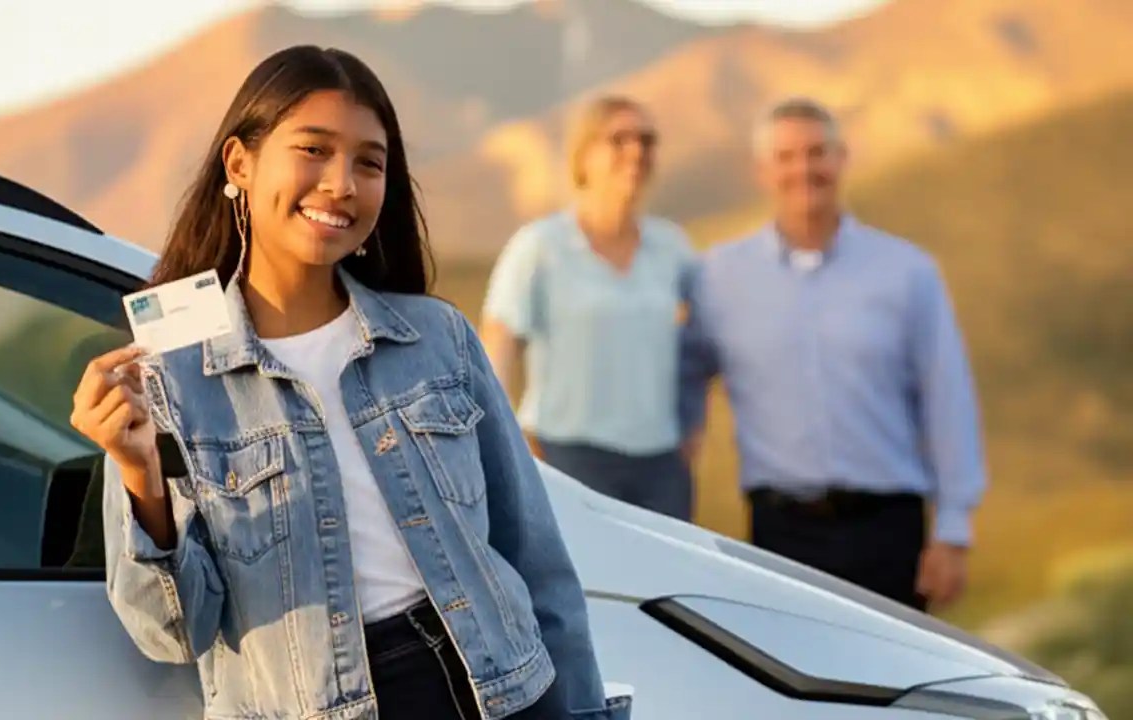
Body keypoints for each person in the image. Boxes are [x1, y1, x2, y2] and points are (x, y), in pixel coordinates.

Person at [69, 46, 630, 720]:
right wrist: (139, 476)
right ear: (239, 164)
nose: (342, 184)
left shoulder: (437, 339)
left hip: (505, 692)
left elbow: (535, 559)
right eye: (314, 150)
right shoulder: (171, 378)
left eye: (369, 162)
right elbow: (172, 633)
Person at [679, 96, 987, 612]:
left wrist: (953, 531)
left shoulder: (908, 272)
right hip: (781, 537)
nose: (804, 169)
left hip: (891, 533)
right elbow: (681, 385)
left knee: (896, 687)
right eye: (787, 156)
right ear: (762, 171)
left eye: (817, 152)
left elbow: (947, 399)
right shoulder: (717, 277)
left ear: (841, 158)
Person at [480, 96, 697, 522]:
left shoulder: (673, 249)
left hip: (661, 469)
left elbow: (701, 348)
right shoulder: (540, 246)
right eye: (618, 139)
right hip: (566, 458)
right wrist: (512, 445)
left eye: (646, 140)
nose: (636, 151)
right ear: (584, 156)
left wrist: (693, 435)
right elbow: (497, 348)